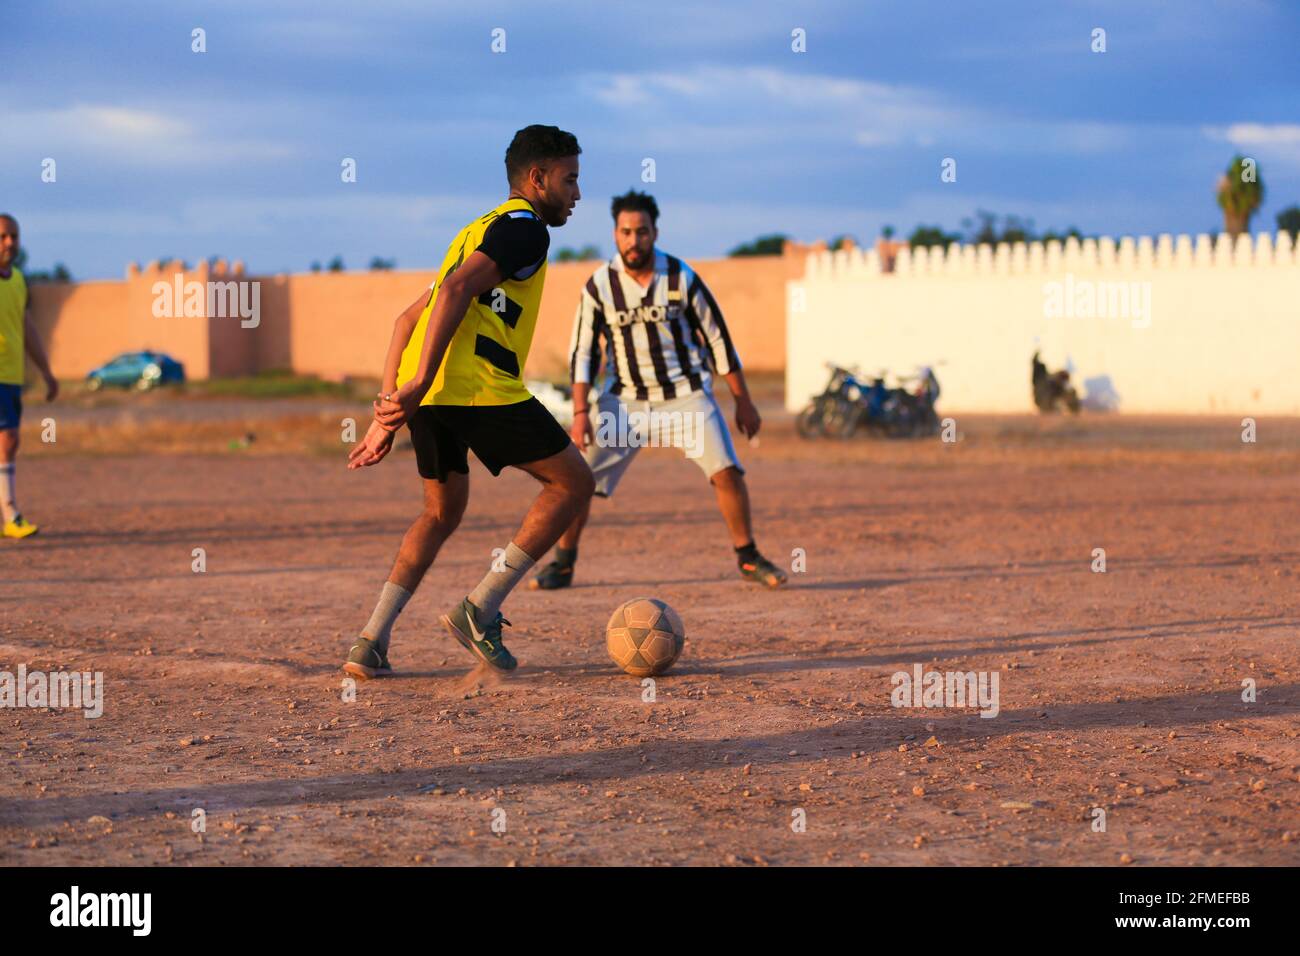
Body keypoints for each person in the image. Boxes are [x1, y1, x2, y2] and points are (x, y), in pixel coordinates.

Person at [342, 126, 594, 678]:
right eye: (570, 179)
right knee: (574, 482)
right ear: (537, 178)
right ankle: (480, 608)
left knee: (440, 512)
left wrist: (394, 407)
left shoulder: (476, 230)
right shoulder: (526, 231)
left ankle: (370, 642)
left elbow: (405, 320)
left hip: (429, 395)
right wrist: (416, 387)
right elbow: (453, 295)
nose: (577, 193)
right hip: (475, 387)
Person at [530, 190, 786, 591]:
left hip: (685, 395)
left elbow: (718, 341)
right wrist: (581, 414)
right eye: (626, 232)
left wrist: (744, 401)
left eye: (642, 232)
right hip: (623, 402)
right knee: (578, 482)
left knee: (728, 471)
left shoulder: (682, 277)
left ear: (655, 232)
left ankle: (748, 556)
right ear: (615, 234)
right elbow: (581, 354)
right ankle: (563, 562)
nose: (634, 241)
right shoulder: (599, 286)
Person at [0, 214, 59, 540]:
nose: (10, 243)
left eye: (14, 236)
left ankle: (10, 516)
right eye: (4, 236)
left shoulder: (19, 281)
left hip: (10, 377)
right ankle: (10, 513)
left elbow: (27, 328)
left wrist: (47, 372)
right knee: (6, 440)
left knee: (9, 442)